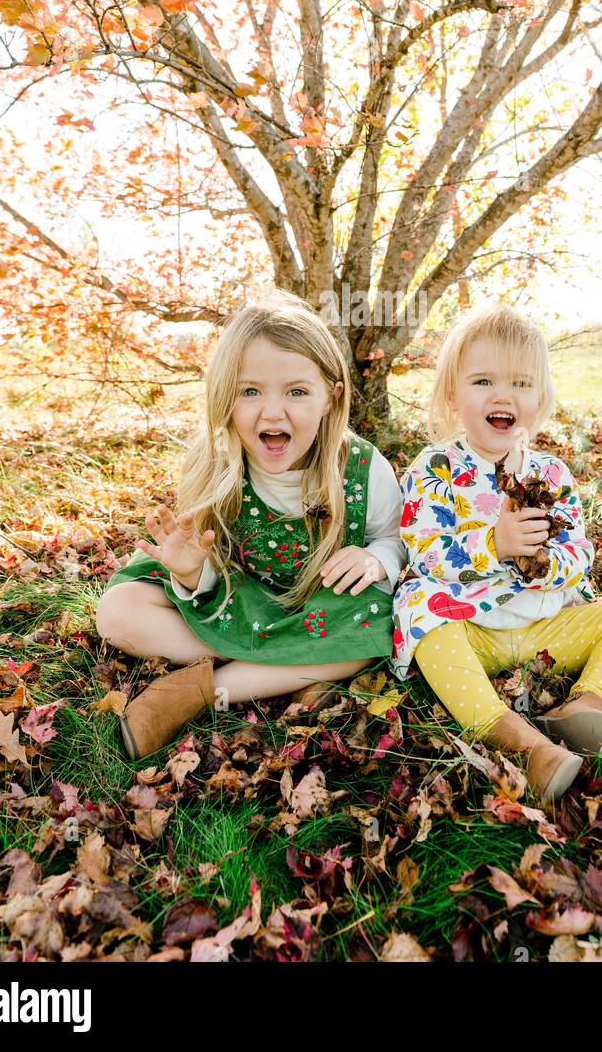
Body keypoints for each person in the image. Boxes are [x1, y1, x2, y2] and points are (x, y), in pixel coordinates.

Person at [96, 291, 405, 759]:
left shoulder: (362, 468)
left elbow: (395, 538)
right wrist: (189, 574)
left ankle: (210, 690)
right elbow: (208, 573)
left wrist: (376, 558)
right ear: (226, 397)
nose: (273, 412)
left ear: (330, 397)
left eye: (297, 391)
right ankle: (290, 664)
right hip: (236, 596)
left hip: (317, 606)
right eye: (250, 391)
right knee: (117, 612)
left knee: (380, 629)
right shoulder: (215, 466)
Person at [391, 301, 602, 804]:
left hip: (545, 628)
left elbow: (578, 551)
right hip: (470, 627)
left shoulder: (551, 474)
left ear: (540, 397)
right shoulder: (436, 468)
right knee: (421, 615)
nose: (503, 395)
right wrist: (494, 544)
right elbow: (423, 551)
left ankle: (585, 704)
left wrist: (538, 560)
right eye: (482, 382)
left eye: (520, 383)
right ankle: (523, 742)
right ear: (452, 393)